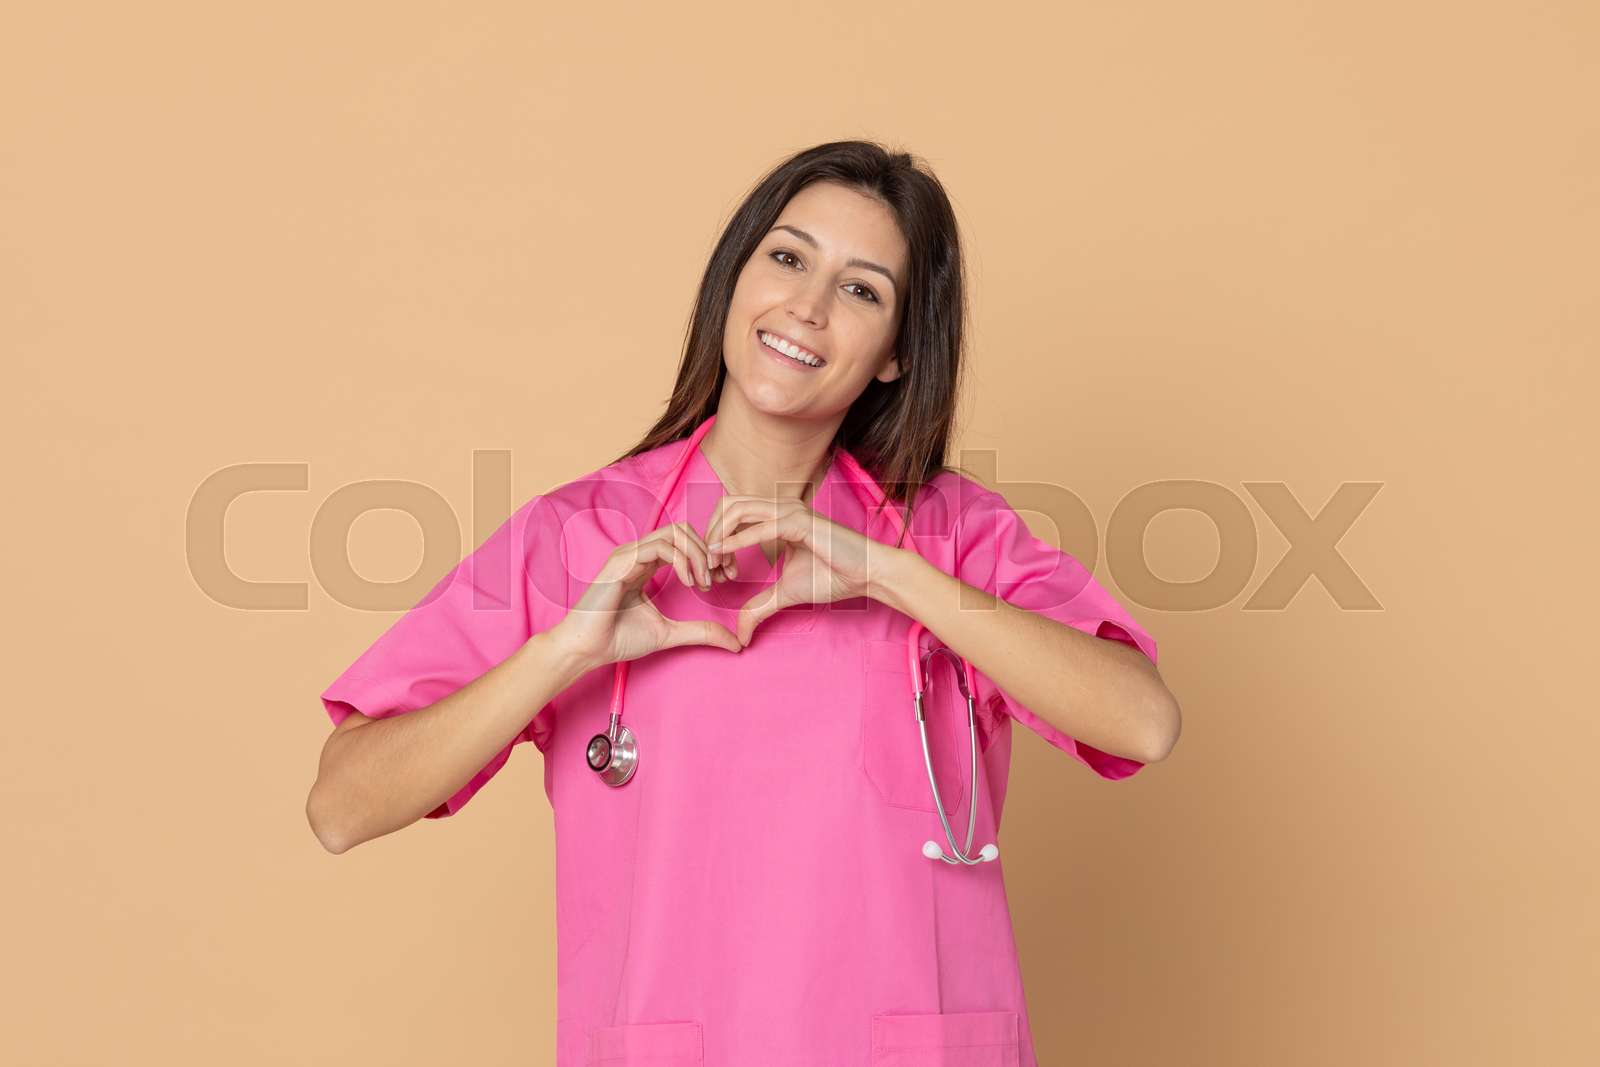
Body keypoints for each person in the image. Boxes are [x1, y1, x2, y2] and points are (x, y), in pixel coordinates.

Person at [307, 140, 1182, 1067]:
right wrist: (563, 650)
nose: (807, 305)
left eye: (862, 290)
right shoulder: (576, 536)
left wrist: (889, 572)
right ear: (736, 279)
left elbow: (1143, 722)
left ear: (895, 356)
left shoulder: (949, 535)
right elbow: (340, 808)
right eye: (790, 257)